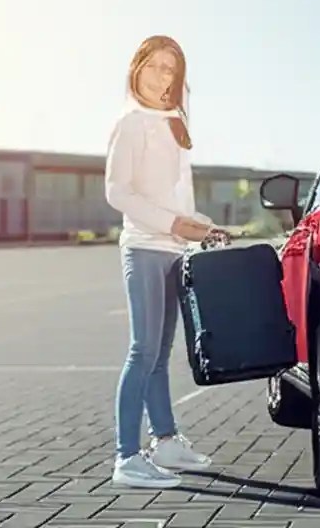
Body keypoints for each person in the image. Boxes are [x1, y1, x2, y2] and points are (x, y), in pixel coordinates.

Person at [104, 35, 227, 489]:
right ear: (137, 69)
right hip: (143, 248)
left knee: (159, 355)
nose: (162, 76)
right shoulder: (130, 123)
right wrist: (173, 223)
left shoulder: (174, 122)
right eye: (155, 66)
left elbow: (177, 197)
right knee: (143, 351)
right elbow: (117, 192)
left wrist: (203, 226)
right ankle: (126, 457)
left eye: (171, 69)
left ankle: (166, 442)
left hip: (173, 250)